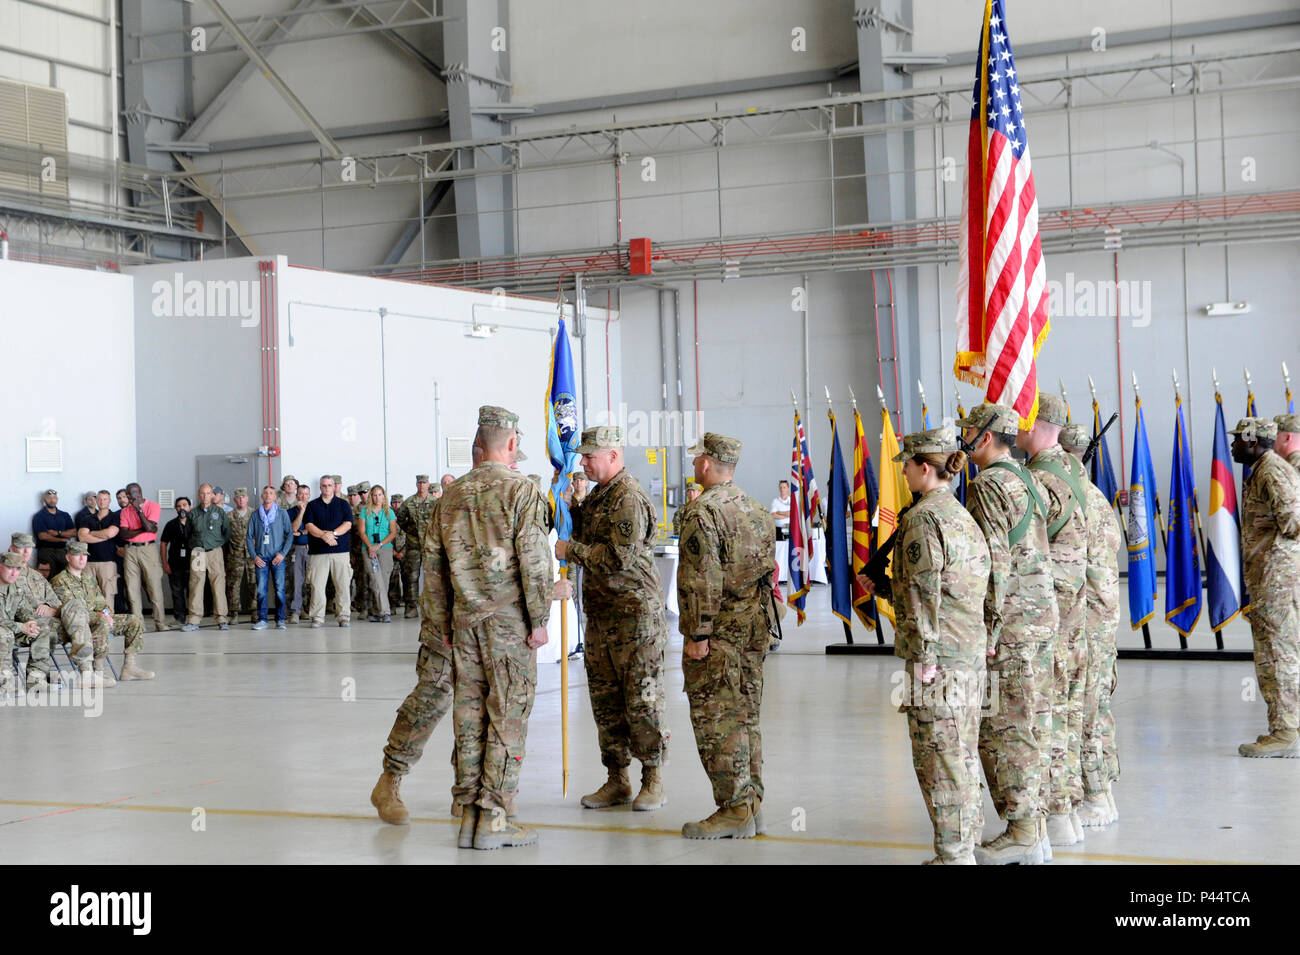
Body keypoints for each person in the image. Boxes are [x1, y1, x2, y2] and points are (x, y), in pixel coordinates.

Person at [862, 426, 991, 864]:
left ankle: (954, 854)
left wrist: (923, 660)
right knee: (963, 755)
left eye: (908, 469)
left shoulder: (921, 519)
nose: (906, 477)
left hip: (938, 659)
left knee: (940, 759)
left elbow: (923, 596)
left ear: (923, 468)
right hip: (968, 653)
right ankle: (967, 842)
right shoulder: (960, 514)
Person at [429, 406, 551, 850]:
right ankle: (495, 816)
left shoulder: (451, 496)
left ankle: (468, 815)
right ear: (513, 444)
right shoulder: (521, 491)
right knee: (507, 715)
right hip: (507, 624)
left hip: (464, 623)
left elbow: (434, 570)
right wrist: (539, 620)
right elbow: (535, 564)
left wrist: (441, 623)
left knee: (469, 715)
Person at [959, 403, 1059, 864]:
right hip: (1041, 614)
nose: (963, 437)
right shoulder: (1025, 477)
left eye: (968, 431)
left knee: (1003, 728)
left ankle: (1021, 828)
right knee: (1032, 721)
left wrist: (990, 629)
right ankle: (1034, 827)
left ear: (984, 437)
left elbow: (992, 564)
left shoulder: (987, 486)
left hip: (1013, 624)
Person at [557, 425, 669, 812]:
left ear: (613, 456)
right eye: (583, 456)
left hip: (634, 616)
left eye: (590, 456)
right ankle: (617, 778)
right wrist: (570, 505)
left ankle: (652, 778)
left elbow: (617, 558)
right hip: (603, 616)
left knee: (642, 698)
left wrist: (569, 549)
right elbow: (588, 531)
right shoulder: (600, 495)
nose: (583, 462)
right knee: (606, 701)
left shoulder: (627, 497)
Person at [676, 433, 777, 840]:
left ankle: (734, 808)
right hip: (753, 628)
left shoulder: (704, 512)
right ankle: (751, 804)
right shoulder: (756, 509)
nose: (694, 464)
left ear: (706, 463)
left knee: (717, 721)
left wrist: (697, 633)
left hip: (719, 634)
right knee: (746, 716)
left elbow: (702, 580)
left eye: (697, 458)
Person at [1021, 393, 1089, 847]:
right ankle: (1065, 815)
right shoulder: (1072, 468)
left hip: (1051, 611)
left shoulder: (1042, 477)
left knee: (1043, 715)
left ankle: (1053, 816)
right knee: (1063, 711)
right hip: (1074, 609)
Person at [1060, 423, 1122, 826]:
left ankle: (1096, 797)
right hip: (1101, 619)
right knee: (1097, 709)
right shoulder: (1096, 496)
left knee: (1085, 711)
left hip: (1087, 620)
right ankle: (1104, 794)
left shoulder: (1076, 497)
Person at [1230, 417, 1300, 757]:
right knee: (1279, 653)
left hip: (1276, 581)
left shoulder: (1272, 470)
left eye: (1237, 440)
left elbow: (1295, 521)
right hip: (1269, 578)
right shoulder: (1263, 468)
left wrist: (1272, 532)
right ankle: (1289, 726)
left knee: (1277, 656)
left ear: (1252, 440)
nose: (1232, 446)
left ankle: (1285, 732)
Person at [53, 540, 153, 684]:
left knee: (133, 620)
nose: (82, 559)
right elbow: (71, 611)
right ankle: (98, 671)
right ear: (68, 557)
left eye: (84, 555)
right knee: (101, 622)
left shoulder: (89, 579)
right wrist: (101, 616)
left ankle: (129, 667)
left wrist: (106, 613)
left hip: (97, 618)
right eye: (77, 555)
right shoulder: (60, 581)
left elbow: (102, 604)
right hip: (78, 624)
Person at [5, 534, 67, 687]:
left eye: (29, 548)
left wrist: (50, 610)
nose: (26, 552)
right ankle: (36, 677)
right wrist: (26, 623)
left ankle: (40, 675)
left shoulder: (37, 576)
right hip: (14, 626)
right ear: (12, 548)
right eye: (21, 548)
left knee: (69, 622)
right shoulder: (5, 575)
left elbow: (57, 605)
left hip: (37, 624)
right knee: (43, 629)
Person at [118, 482, 173, 633]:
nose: (130, 497)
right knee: (131, 588)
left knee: (154, 586)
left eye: (132, 493)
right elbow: (124, 534)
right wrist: (143, 528)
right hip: (130, 551)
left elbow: (151, 528)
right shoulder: (124, 511)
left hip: (148, 549)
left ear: (140, 492)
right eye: (128, 494)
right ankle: (138, 626)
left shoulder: (153, 506)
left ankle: (160, 623)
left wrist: (139, 511)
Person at [304, 474, 354, 629]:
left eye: (329, 485)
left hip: (340, 552)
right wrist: (324, 536)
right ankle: (317, 617)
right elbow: (309, 526)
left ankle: (344, 616)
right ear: (320, 487)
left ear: (335, 486)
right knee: (317, 586)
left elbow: (348, 524)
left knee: (343, 586)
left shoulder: (343, 504)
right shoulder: (312, 505)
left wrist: (333, 534)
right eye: (324, 485)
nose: (327, 488)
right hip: (318, 553)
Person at [182, 483, 231, 632]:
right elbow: (187, 534)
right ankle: (194, 620)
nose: (205, 496)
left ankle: (222, 619)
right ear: (199, 495)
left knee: (218, 584)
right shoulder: (193, 513)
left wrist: (217, 543)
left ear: (213, 495)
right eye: (203, 493)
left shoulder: (219, 512)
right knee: (196, 584)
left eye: (208, 493)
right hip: (197, 552)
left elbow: (226, 532)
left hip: (215, 552)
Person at [246, 485, 293, 631]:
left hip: (277, 557)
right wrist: (254, 556)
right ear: (262, 496)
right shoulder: (255, 515)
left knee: (279, 589)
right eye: (265, 492)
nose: (268, 495)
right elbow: (248, 538)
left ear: (275, 497)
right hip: (261, 558)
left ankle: (280, 619)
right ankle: (262, 620)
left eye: (271, 493)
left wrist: (282, 554)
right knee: (261, 590)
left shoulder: (282, 513)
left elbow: (290, 535)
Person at [396, 475, 439, 619]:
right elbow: (400, 520)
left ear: (428, 484)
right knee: (411, 577)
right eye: (419, 483)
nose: (421, 485)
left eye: (424, 483)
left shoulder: (435, 502)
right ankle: (411, 607)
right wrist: (411, 531)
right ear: (416, 484)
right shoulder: (409, 502)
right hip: (413, 545)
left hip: (430, 546)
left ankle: (432, 607)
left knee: (432, 578)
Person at [77, 490, 121, 610]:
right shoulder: (87, 518)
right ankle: (92, 624)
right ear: (96, 500)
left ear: (110, 501)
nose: (102, 502)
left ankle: (108, 625)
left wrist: (92, 533)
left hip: (108, 562)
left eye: (105, 499)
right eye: (100, 499)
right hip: (89, 562)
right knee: (88, 595)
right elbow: (82, 537)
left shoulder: (115, 517)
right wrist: (104, 536)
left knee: (108, 595)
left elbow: (111, 533)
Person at [360, 484, 398, 623]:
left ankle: (376, 612)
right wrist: (371, 547)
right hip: (369, 549)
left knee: (384, 581)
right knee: (376, 580)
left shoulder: (389, 512)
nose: (377, 497)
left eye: (380, 494)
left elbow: (393, 532)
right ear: (371, 496)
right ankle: (385, 612)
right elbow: (362, 532)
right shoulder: (365, 511)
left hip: (385, 548)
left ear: (384, 496)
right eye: (374, 495)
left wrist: (379, 545)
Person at [160, 496, 193, 626]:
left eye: (185, 505)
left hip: (193, 564)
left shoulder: (195, 522)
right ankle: (179, 618)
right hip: (174, 564)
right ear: (176, 509)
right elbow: (163, 544)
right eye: (179, 506)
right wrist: (164, 562)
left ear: (190, 507)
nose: (182, 508)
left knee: (193, 592)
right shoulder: (171, 524)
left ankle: (193, 618)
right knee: (177, 592)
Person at [225, 488, 255, 624]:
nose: (241, 499)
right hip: (235, 555)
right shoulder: (229, 516)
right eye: (238, 497)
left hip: (252, 554)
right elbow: (224, 534)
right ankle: (234, 613)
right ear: (234, 500)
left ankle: (255, 612)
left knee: (254, 583)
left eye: (243, 496)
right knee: (233, 584)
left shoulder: (255, 514)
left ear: (247, 498)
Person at [33, 488, 76, 577]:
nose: (52, 500)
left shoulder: (65, 515)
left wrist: (57, 533)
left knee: (64, 578)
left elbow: (73, 532)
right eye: (49, 498)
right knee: (47, 579)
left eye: (54, 498)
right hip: (46, 552)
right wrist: (62, 539)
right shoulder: (39, 516)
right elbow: (43, 536)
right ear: (44, 499)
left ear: (57, 499)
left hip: (62, 552)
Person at [348, 483, 373, 619]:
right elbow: (350, 534)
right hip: (359, 550)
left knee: (375, 579)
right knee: (361, 580)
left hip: (375, 549)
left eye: (365, 492)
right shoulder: (354, 510)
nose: (363, 495)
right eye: (360, 493)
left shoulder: (377, 507)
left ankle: (376, 607)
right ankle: (363, 607)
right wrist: (351, 553)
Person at [287, 483, 311, 624]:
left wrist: (302, 532)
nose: (303, 497)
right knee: (297, 581)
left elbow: (316, 529)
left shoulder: (315, 509)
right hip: (297, 549)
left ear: (309, 495)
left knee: (312, 581)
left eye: (306, 494)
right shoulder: (291, 512)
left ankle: (308, 610)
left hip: (313, 549)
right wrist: (301, 512)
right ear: (297, 496)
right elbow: (292, 528)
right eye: (300, 494)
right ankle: (295, 611)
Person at [388, 494, 408, 613]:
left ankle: (408, 604)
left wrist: (403, 552)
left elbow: (410, 535)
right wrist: (393, 552)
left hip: (405, 552)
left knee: (408, 579)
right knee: (393, 579)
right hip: (392, 552)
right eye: (394, 503)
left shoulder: (406, 517)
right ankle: (393, 604)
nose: (396, 505)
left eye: (398, 503)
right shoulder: (387, 517)